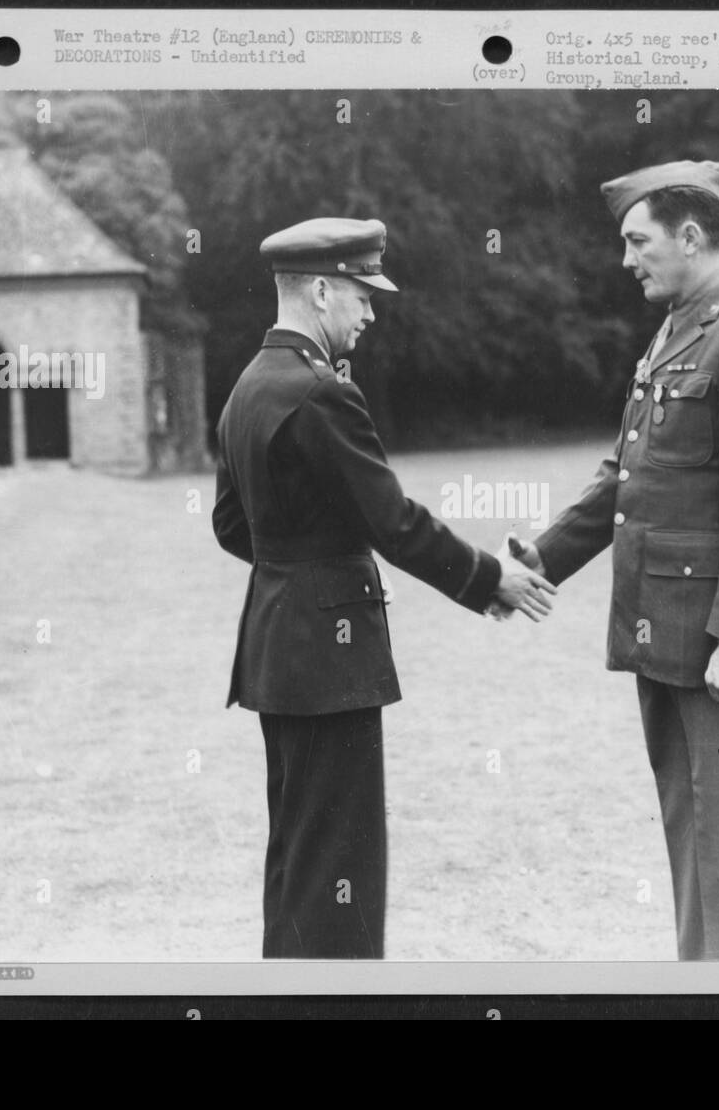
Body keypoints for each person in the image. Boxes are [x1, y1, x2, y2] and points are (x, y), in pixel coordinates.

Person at [212, 217, 555, 959]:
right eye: (363, 294)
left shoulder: (248, 386)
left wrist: (307, 570)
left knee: (299, 854)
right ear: (322, 290)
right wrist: (491, 577)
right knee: (341, 865)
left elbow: (231, 526)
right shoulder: (321, 392)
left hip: (277, 653)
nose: (370, 312)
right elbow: (395, 522)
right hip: (330, 664)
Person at [511, 160, 719, 960]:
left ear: (690, 236)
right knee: (696, 843)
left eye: (637, 241)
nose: (626, 259)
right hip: (669, 636)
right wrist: (540, 556)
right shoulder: (679, 327)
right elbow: (630, 476)